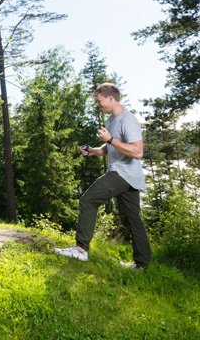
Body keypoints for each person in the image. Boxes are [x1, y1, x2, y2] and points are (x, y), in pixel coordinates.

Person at [54, 83, 151, 269]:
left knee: (88, 200)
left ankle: (81, 250)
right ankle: (142, 264)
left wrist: (110, 139)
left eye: (100, 102)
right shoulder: (111, 121)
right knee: (131, 219)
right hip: (127, 176)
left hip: (124, 173)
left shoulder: (127, 120)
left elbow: (137, 152)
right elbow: (110, 148)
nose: (99, 105)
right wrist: (94, 151)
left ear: (111, 98)